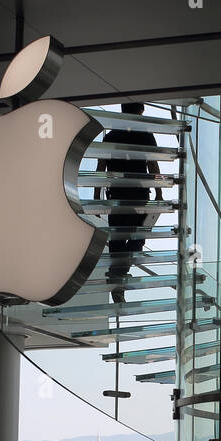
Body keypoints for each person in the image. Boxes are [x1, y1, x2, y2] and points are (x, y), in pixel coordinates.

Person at [100, 102, 161, 304]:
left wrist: (97, 196)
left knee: (118, 242)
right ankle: (118, 277)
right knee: (137, 237)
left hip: (116, 194)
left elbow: (102, 167)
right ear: (140, 112)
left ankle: (116, 279)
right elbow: (152, 163)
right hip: (138, 194)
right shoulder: (145, 135)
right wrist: (160, 192)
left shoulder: (110, 136)